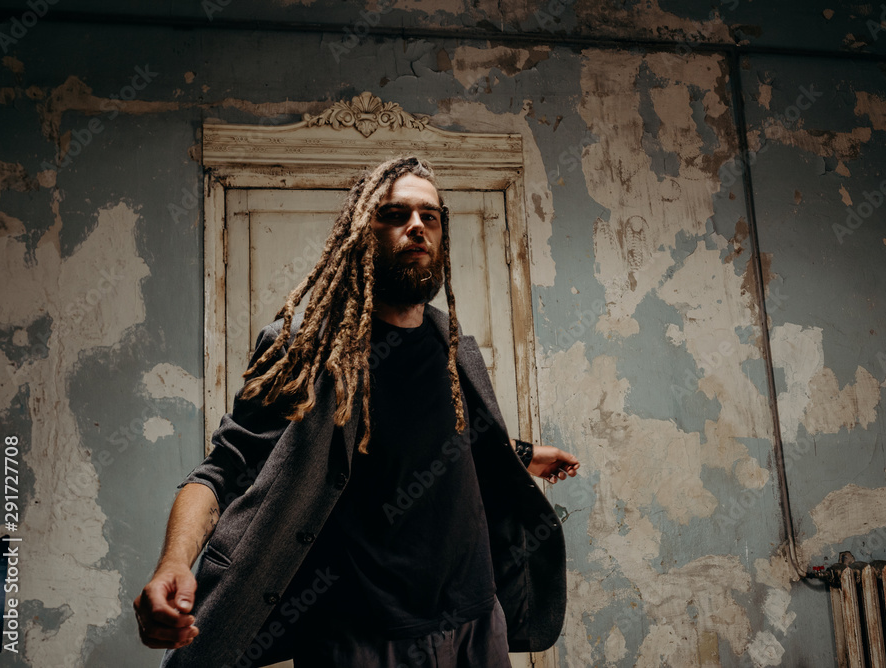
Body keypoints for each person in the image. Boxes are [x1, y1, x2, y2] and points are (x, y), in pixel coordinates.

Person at [134, 156, 580, 667]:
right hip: (361, 638)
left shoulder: (453, 345)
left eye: (429, 216)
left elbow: (443, 445)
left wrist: (521, 453)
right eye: (394, 214)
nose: (416, 226)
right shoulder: (304, 351)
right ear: (361, 234)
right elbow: (222, 471)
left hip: (477, 627)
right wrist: (174, 561)